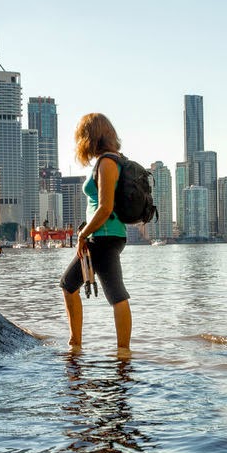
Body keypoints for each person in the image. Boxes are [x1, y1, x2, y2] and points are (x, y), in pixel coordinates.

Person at [60, 112, 131, 350]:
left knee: (114, 294)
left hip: (103, 236)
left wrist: (82, 235)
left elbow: (105, 207)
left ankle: (121, 352)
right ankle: (82, 344)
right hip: (105, 235)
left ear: (90, 136)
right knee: (72, 286)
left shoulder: (107, 163)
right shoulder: (111, 160)